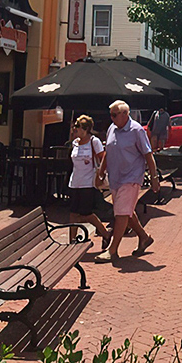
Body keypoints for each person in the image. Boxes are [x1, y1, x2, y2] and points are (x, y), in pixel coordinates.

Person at [95, 100, 159, 262]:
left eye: (114, 115)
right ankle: (144, 237)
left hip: (131, 177)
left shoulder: (136, 130)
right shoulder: (112, 128)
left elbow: (148, 154)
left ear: (125, 114)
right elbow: (108, 152)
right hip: (115, 178)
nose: (111, 118)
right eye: (111, 115)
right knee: (126, 212)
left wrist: (154, 177)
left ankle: (113, 250)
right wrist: (101, 173)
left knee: (122, 213)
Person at [68, 115, 112, 248]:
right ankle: (72, 241)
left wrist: (100, 175)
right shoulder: (75, 142)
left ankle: (105, 233)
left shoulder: (94, 141)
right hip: (74, 182)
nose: (75, 129)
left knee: (86, 213)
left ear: (86, 129)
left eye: (78, 127)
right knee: (73, 213)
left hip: (88, 183)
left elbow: (103, 159)